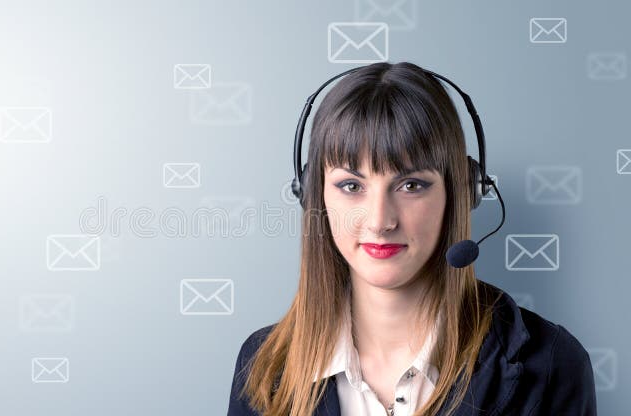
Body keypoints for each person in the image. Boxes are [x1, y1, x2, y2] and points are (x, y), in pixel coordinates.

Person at [226, 62, 597, 416]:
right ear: (313, 193)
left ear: (462, 192)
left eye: (410, 185)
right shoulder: (264, 368)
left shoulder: (552, 365)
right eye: (351, 185)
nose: (379, 220)